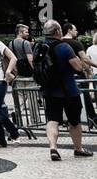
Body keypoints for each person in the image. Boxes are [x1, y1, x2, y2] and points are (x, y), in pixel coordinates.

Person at [36, 19, 94, 160]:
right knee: (74, 122)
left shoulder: (39, 46)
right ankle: (78, 149)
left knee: (52, 120)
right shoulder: (64, 47)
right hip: (68, 90)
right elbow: (78, 67)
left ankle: (53, 148)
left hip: (49, 90)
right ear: (57, 31)